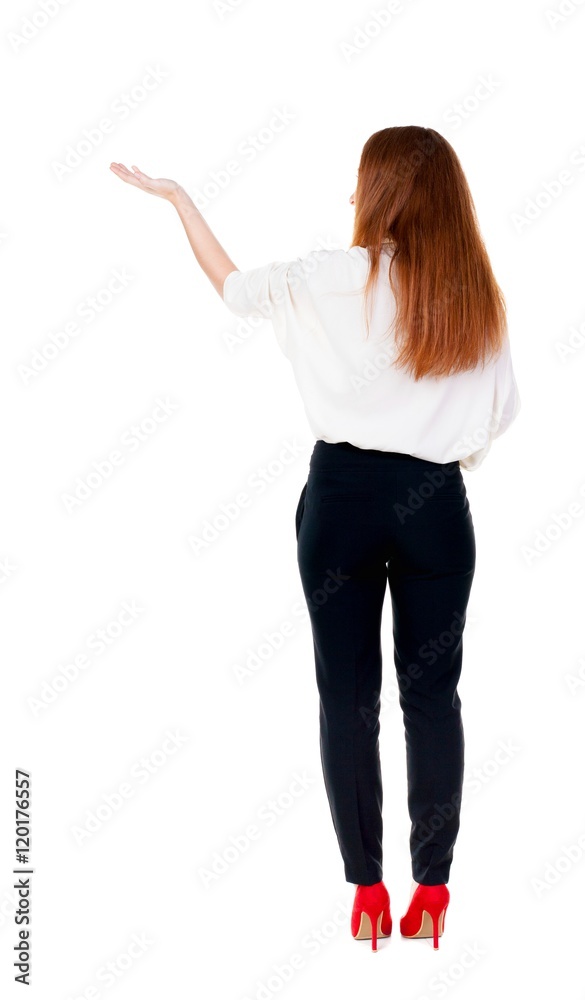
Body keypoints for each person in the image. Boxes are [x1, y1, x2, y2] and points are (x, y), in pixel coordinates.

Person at [110, 125, 521, 952]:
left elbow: (230, 288)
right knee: (432, 697)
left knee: (347, 696)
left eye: (358, 182)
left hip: (339, 500)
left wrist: (180, 200)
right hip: (435, 504)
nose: (348, 197)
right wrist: (434, 455)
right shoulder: (471, 292)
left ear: (378, 192)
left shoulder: (329, 277)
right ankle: (431, 891)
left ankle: (367, 891)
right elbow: (497, 417)